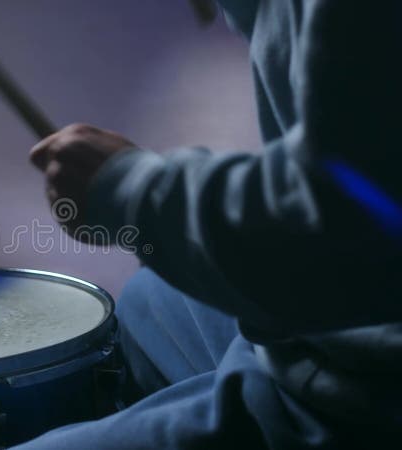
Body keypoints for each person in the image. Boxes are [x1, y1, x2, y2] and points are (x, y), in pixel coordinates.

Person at [20, 0, 402, 449]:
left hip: (365, 396)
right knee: (150, 301)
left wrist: (128, 188)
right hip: (341, 328)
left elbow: (344, 228)